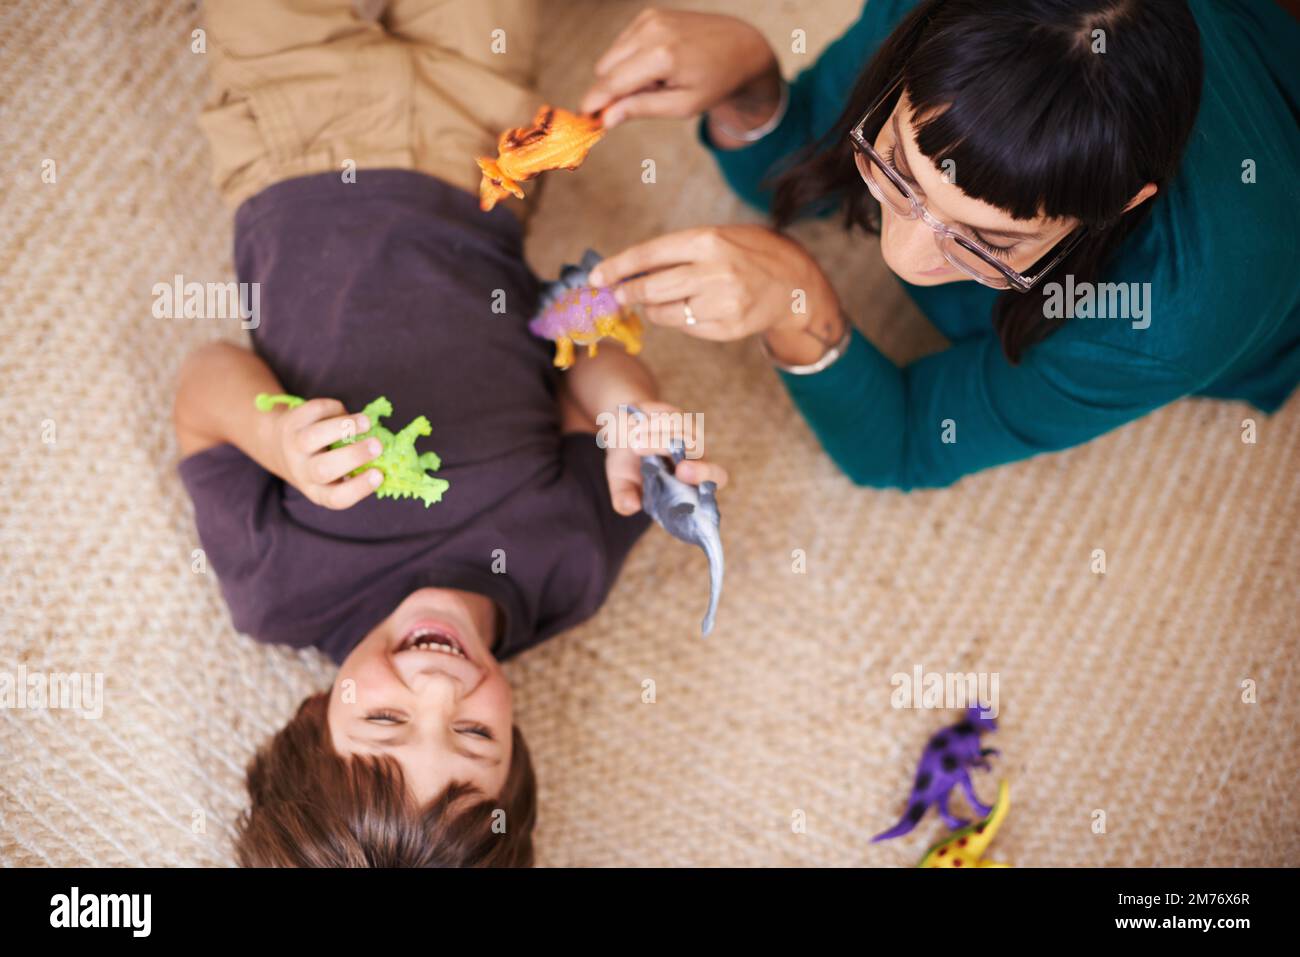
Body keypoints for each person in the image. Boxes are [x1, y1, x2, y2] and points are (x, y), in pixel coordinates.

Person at [172, 0, 727, 866]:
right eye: (473, 735)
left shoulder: (276, 589)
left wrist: (276, 437)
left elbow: (202, 388)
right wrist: (631, 414)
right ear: (519, 756)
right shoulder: (566, 568)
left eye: (386, 720)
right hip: (485, 156)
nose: (439, 686)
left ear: (314, 716)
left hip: (296, 131)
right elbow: (579, 365)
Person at [580, 0, 1300, 489]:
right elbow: (796, 166)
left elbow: (908, 444)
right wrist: (749, 80)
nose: (904, 257)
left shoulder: (1180, 308)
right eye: (897, 167)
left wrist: (798, 307)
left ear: (1119, 206)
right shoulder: (945, 21)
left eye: (988, 242)